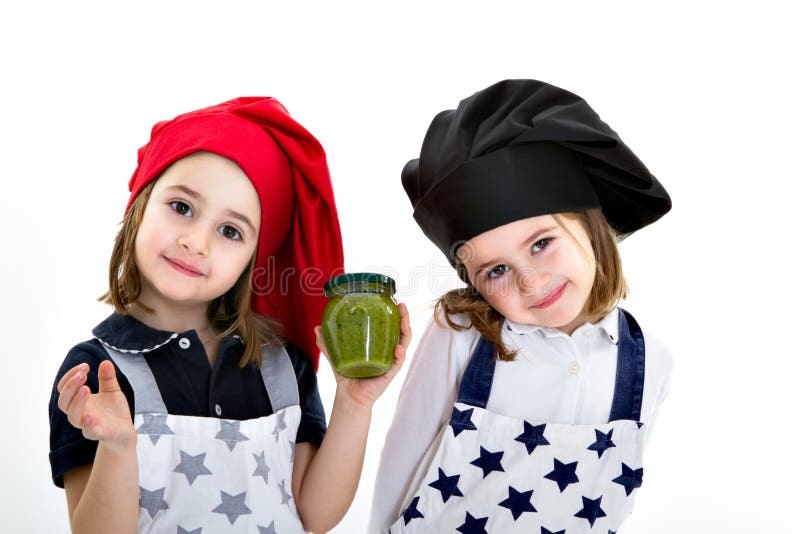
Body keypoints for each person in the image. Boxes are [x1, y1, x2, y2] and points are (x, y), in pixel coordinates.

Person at [48, 96, 411, 533]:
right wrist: (118, 448)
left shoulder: (283, 367)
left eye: (230, 231)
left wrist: (355, 403)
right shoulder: (96, 373)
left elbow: (315, 515)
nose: (196, 242)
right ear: (140, 206)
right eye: (181, 207)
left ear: (252, 262)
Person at [369, 79, 673, 533]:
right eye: (496, 271)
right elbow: (401, 464)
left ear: (589, 225)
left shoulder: (650, 364)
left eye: (541, 244)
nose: (530, 282)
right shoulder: (462, 336)